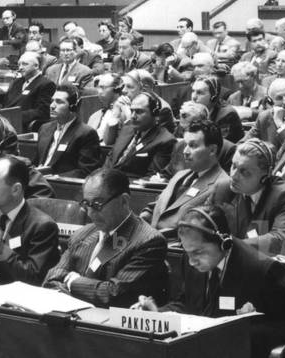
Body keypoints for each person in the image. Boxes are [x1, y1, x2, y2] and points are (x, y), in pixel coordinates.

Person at [133, 204, 285, 358]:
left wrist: (240, 333)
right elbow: (187, 302)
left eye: (198, 252)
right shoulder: (190, 260)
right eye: (187, 252)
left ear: (224, 243)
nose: (191, 262)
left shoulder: (261, 270)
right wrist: (158, 314)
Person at [44, 168, 168, 307]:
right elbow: (52, 277)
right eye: (86, 204)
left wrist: (72, 281)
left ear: (124, 201)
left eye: (97, 205)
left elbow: (113, 294)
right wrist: (73, 285)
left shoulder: (148, 242)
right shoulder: (82, 234)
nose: (90, 213)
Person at [210, 138, 285, 256]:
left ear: (265, 176)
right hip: (246, 264)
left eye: (245, 172)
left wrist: (230, 245)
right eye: (233, 166)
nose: (234, 176)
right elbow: (203, 222)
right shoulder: (223, 189)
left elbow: (280, 243)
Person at [143, 119, 228, 231]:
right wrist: (140, 221)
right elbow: (156, 207)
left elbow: (203, 232)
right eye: (186, 145)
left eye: (193, 146)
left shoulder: (221, 184)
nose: (185, 151)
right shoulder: (180, 175)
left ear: (212, 150)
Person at [35, 85, 102, 178]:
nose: (52, 106)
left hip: (63, 186)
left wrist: (58, 177)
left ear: (73, 107)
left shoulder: (86, 133)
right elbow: (37, 161)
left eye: (59, 102)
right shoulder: (44, 128)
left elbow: (86, 171)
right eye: (52, 101)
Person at [105, 92, 176, 179]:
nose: (133, 116)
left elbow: (152, 178)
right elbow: (110, 159)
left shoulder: (165, 141)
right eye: (132, 111)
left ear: (155, 114)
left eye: (139, 112)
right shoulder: (127, 129)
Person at [246, 78, 285, 149]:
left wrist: (279, 123)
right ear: (270, 101)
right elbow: (244, 143)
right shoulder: (264, 117)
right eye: (279, 98)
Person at [190, 75, 244, 141]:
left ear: (213, 96)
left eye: (199, 93)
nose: (194, 97)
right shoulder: (190, 111)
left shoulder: (227, 114)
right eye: (193, 91)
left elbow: (218, 145)